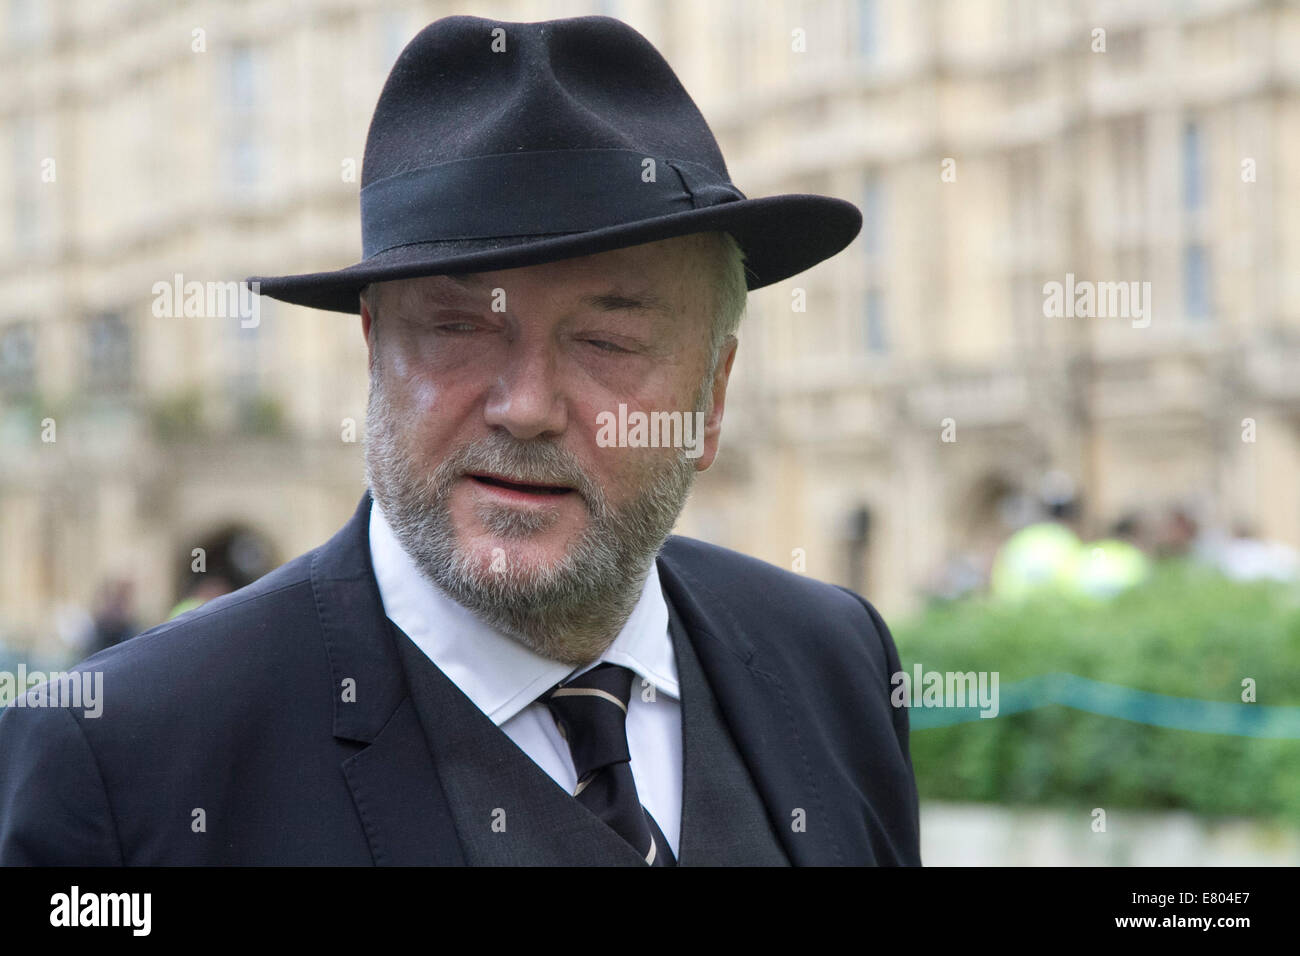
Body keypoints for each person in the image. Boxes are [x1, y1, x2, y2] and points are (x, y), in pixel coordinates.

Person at [0, 15, 919, 866]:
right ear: (374, 352)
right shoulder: (126, 761)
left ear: (713, 397)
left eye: (606, 342)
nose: (525, 407)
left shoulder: (835, 663)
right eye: (458, 330)